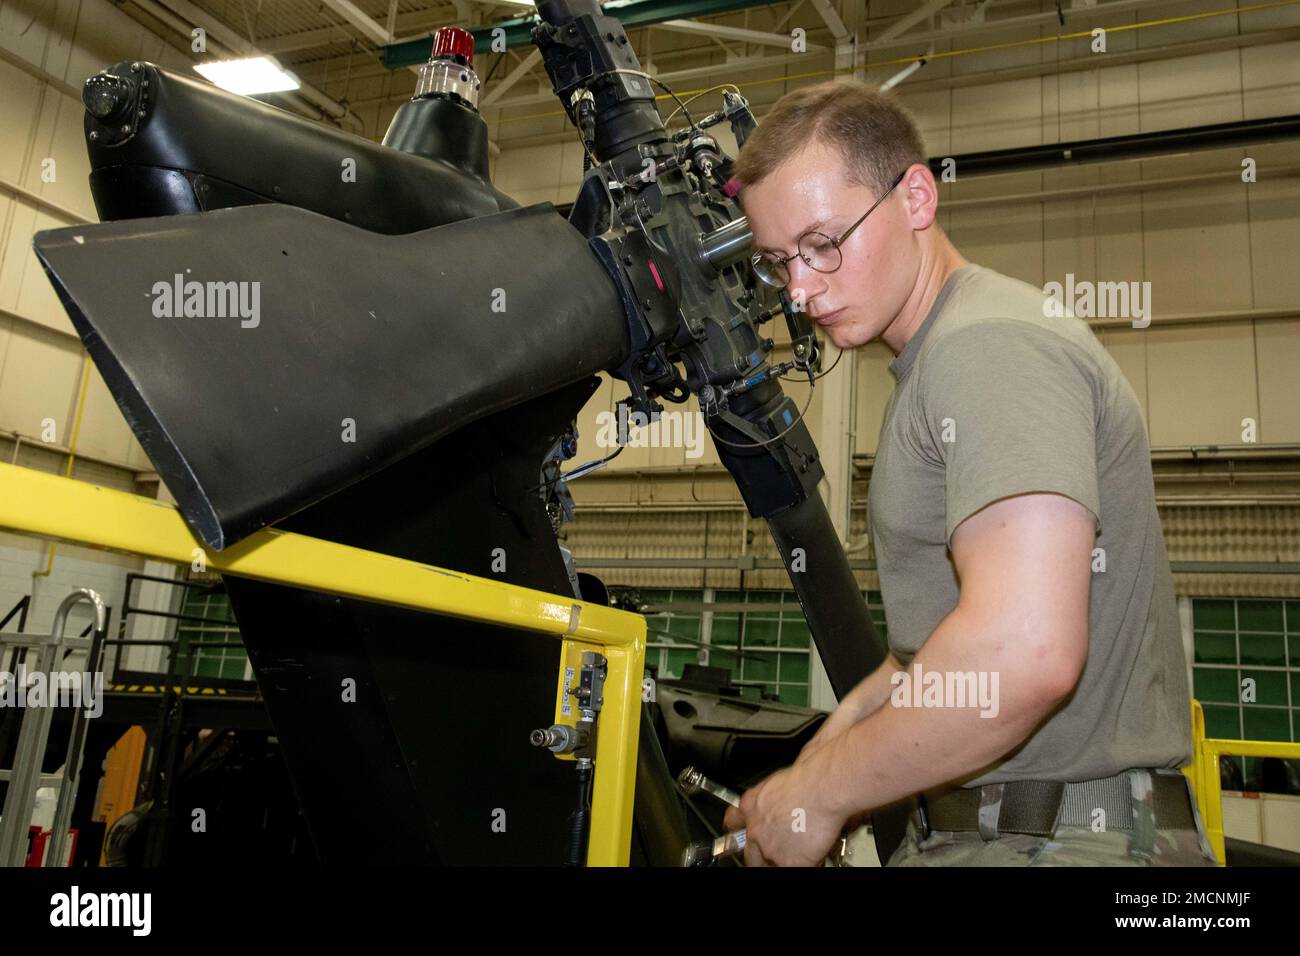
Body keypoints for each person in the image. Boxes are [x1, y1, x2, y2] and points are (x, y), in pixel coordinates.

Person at [721, 80, 1217, 867]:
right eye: (780, 262)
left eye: (823, 244)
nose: (801, 290)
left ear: (916, 197)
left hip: (1052, 842)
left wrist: (824, 795)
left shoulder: (986, 348)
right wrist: (811, 774)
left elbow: (1023, 650)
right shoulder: (940, 361)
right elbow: (923, 655)